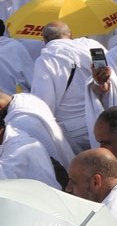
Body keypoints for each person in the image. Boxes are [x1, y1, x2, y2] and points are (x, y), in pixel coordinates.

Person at [29, 21, 96, 152]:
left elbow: (43, 102)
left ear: (45, 39)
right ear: (70, 35)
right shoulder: (90, 47)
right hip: (99, 117)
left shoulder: (46, 60)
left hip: (72, 129)